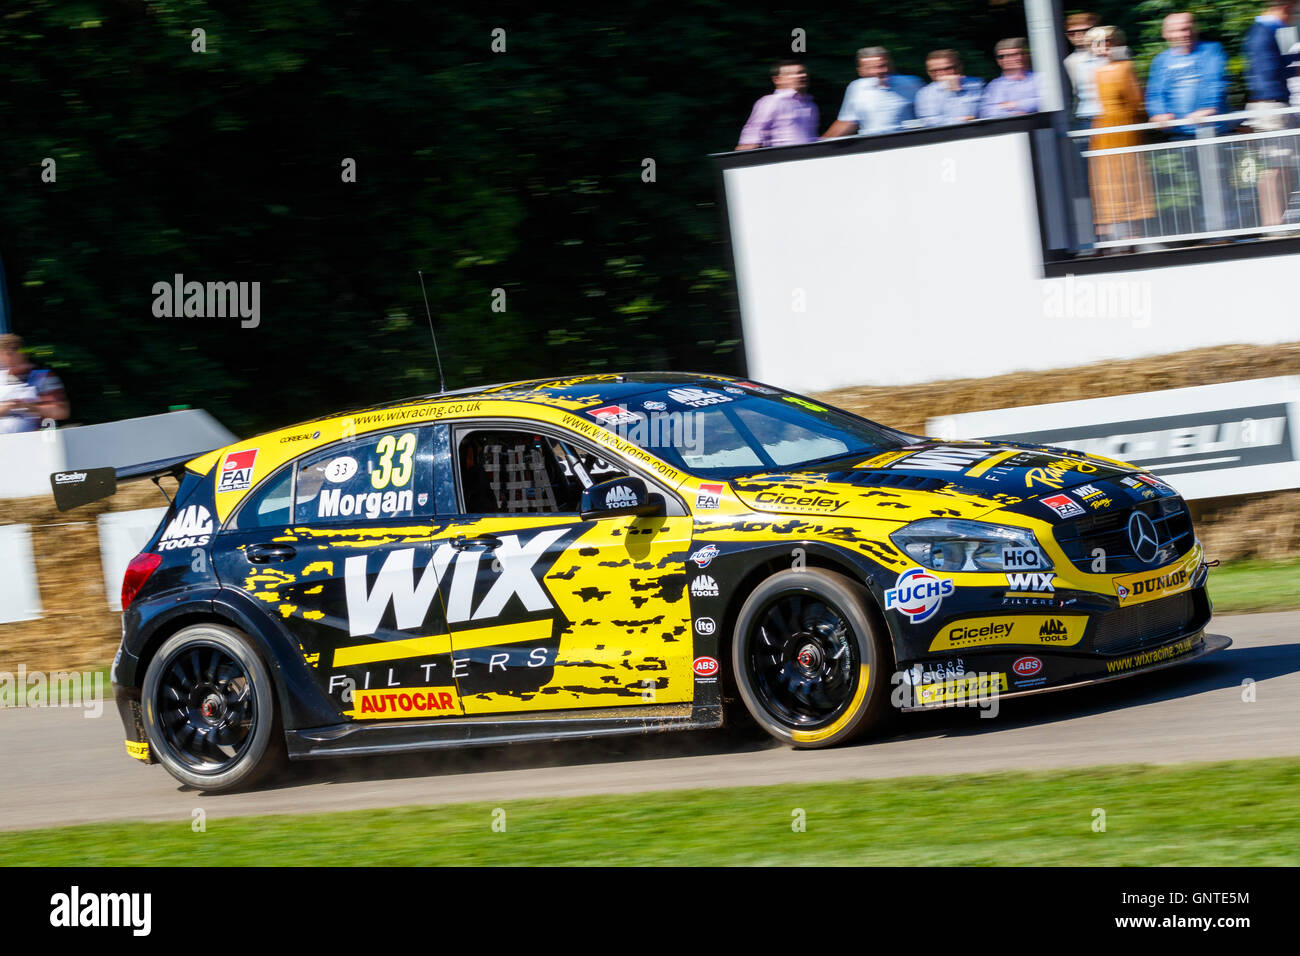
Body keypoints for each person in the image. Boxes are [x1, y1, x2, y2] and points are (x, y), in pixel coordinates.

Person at [1087, 26, 1155, 251]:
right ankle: (1115, 239)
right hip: (1104, 130)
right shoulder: (1096, 72)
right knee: (1108, 185)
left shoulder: (1126, 68)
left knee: (1129, 182)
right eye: (1100, 43)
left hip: (1125, 130)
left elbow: (1137, 102)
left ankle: (1133, 238)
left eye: (1108, 42)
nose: (1104, 47)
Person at [1244, 3, 1300, 225]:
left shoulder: (1262, 31)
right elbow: (1267, 74)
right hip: (1271, 107)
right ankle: (1274, 225)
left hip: (1272, 105)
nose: (1294, 16)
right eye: (1294, 11)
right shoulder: (1266, 32)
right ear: (1284, 8)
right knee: (1275, 168)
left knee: (1279, 168)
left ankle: (1276, 223)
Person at [1145, 12, 1228, 138]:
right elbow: (1155, 92)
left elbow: (1215, 81)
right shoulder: (1161, 60)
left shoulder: (1211, 51)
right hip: (1180, 132)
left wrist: (1208, 107)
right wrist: (1158, 113)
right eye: (1177, 30)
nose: (1185, 34)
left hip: (1213, 128)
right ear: (1166, 34)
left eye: (1187, 29)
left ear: (1195, 29)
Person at [821, 47, 923, 137]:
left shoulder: (912, 83)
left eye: (883, 65)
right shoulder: (856, 87)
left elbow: (927, 116)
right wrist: (821, 144)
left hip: (906, 144)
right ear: (861, 71)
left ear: (891, 65)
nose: (880, 71)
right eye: (872, 68)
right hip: (870, 146)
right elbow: (848, 122)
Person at [735, 59, 819, 150]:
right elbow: (750, 140)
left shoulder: (810, 105)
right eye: (795, 73)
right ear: (777, 79)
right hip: (782, 160)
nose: (803, 75)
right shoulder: (770, 102)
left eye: (803, 72)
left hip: (808, 159)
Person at [0, 334, 70, 434]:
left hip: (34, 443)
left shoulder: (43, 377)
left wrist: (30, 407)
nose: (9, 357)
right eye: (5, 353)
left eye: (13, 352)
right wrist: (7, 407)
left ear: (22, 353)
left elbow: (62, 411)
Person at [914, 50, 984, 127]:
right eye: (935, 71)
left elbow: (988, 111)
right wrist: (962, 121)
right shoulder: (925, 94)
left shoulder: (977, 84)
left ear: (960, 66)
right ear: (928, 73)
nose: (942, 73)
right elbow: (929, 122)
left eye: (948, 68)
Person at [977, 38, 1039, 118]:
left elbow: (1048, 100)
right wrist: (1010, 115)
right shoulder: (994, 86)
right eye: (1002, 56)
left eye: (1017, 54)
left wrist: (1014, 104)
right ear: (999, 61)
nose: (1018, 58)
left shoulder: (1039, 79)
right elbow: (986, 111)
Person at [1064, 13, 1103, 130]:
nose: (1078, 35)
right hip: (1085, 116)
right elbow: (1074, 93)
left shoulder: (1108, 54)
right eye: (1071, 33)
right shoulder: (1069, 62)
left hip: (1109, 113)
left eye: (1084, 31)